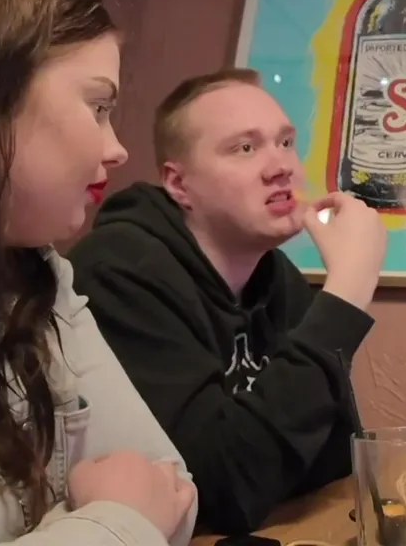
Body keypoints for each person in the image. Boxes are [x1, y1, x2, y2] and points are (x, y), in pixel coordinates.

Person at [66, 69, 388, 534]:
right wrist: (347, 294)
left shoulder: (277, 277)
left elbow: (332, 459)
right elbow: (217, 491)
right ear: (179, 184)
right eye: (245, 148)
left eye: (285, 142)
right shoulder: (118, 272)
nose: (281, 167)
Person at [0, 0, 197, 543]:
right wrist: (116, 520)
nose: (117, 149)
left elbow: (173, 491)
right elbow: (198, 487)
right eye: (98, 106)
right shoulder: (130, 259)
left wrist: (116, 519)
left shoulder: (35, 274)